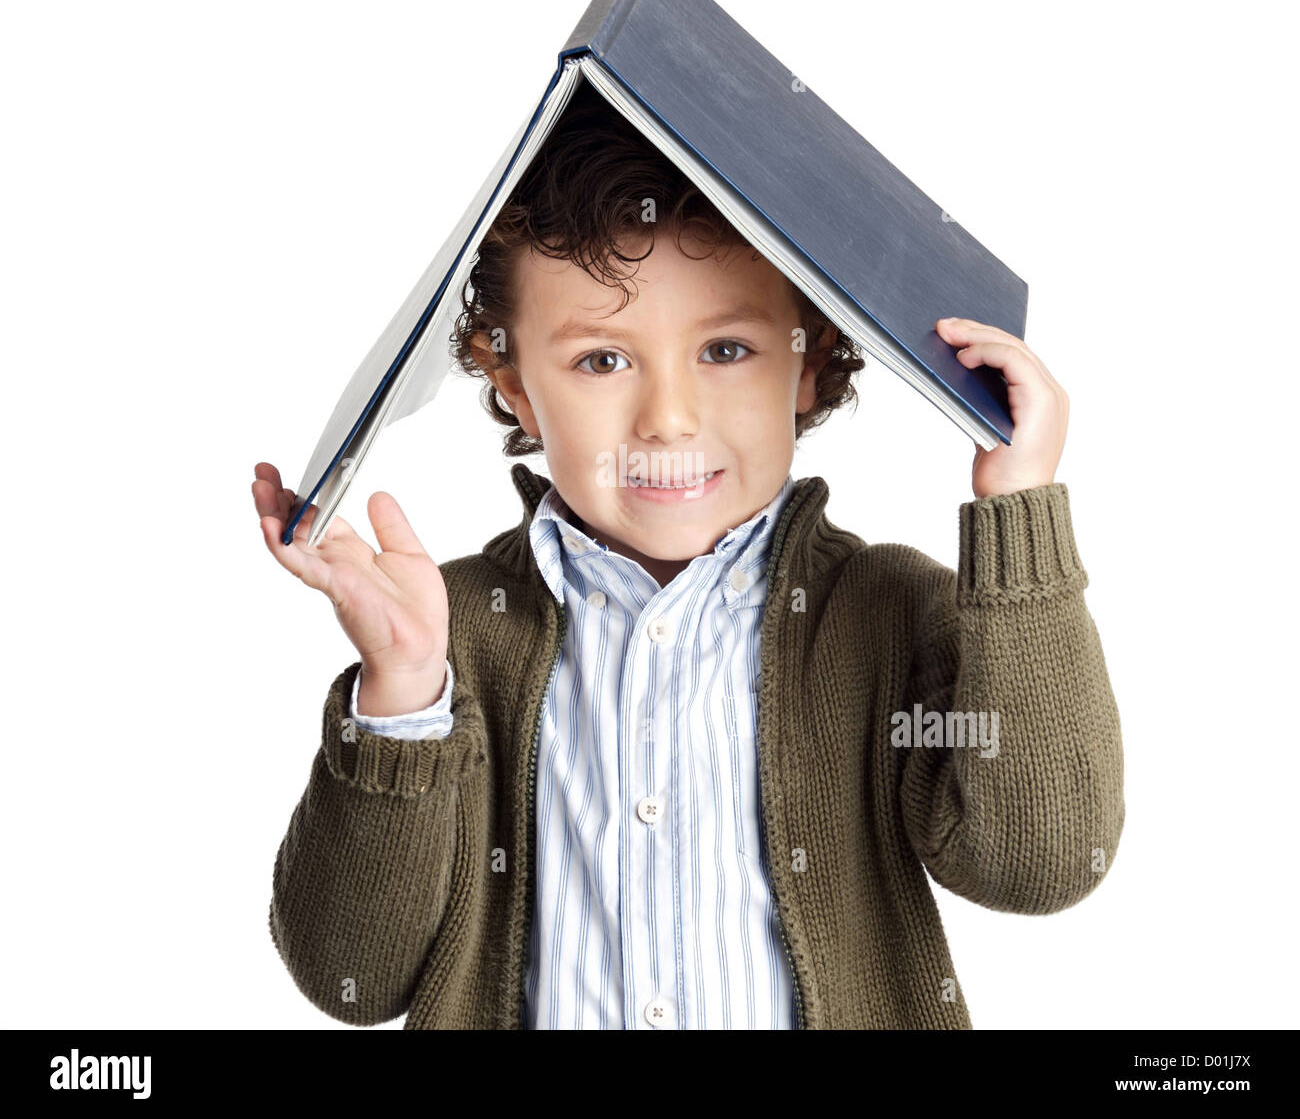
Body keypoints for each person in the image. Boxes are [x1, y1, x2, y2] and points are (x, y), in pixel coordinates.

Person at [251, 86, 1123, 1029]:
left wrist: (1019, 516)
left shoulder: (884, 613)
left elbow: (1042, 858)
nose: (668, 416)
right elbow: (349, 973)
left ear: (810, 358)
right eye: (601, 361)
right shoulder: (454, 636)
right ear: (517, 387)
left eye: (726, 348)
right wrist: (403, 697)